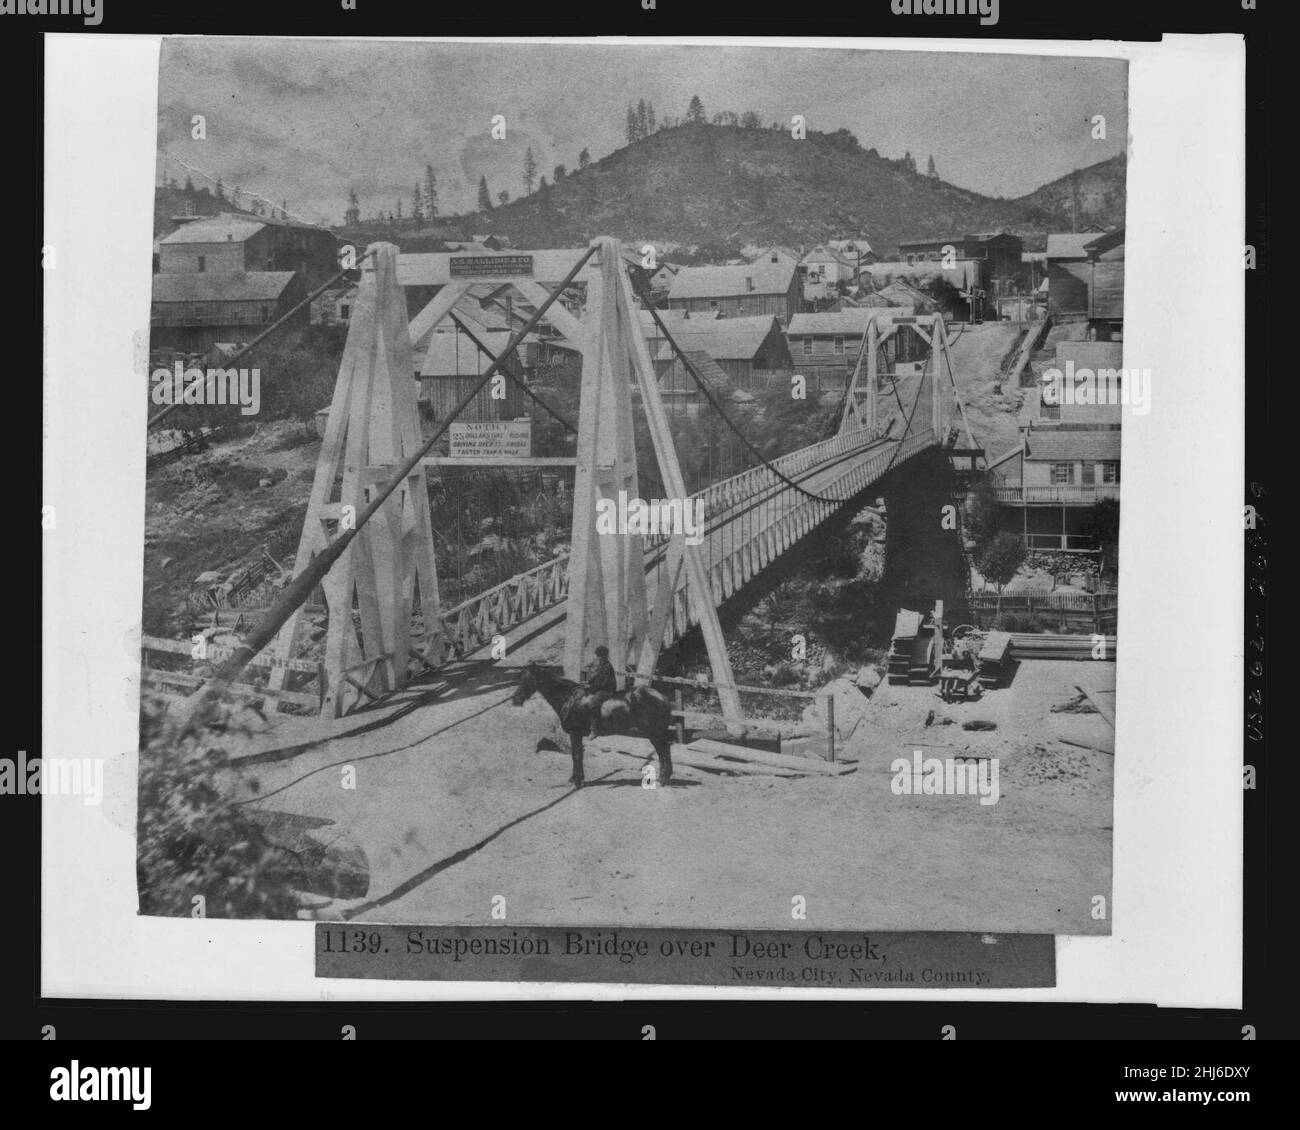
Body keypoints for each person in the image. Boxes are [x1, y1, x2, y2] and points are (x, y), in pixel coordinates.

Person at [585, 645, 618, 740]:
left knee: (593, 704)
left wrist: (590, 687)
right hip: (600, 688)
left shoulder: (606, 666)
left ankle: (594, 730)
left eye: (597, 656)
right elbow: (596, 677)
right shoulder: (601, 665)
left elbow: (602, 683)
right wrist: (588, 683)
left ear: (601, 656)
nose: (596, 657)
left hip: (606, 691)